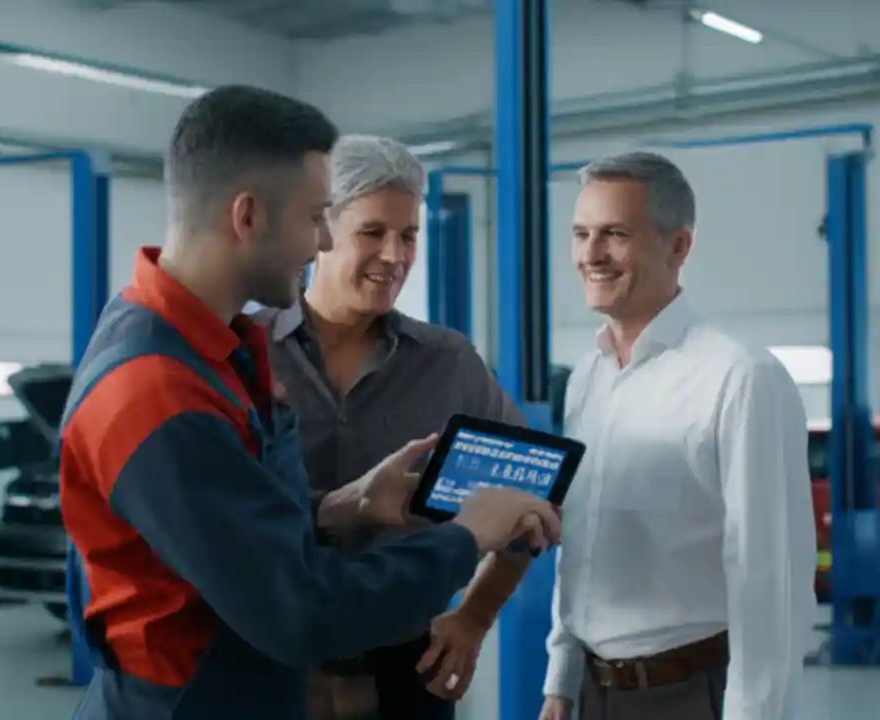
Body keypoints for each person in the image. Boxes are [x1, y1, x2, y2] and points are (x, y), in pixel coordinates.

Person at [58, 85, 562, 720]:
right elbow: (296, 610)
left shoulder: (209, 350)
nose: (321, 240)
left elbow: (240, 525)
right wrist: (463, 539)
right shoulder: (161, 391)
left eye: (409, 235)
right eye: (319, 216)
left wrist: (342, 508)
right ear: (248, 216)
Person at [261, 135, 531, 720]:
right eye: (373, 232)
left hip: (407, 678)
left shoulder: (448, 362)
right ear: (321, 233)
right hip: (262, 669)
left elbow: (526, 502)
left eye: (409, 235)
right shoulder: (242, 351)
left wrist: (474, 617)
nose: (396, 255)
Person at [537, 152, 816, 720]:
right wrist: (561, 678)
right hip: (593, 691)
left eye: (615, 234)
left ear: (679, 246)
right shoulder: (588, 376)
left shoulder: (739, 377)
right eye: (581, 233)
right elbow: (582, 550)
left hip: (690, 694)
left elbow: (770, 581)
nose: (591, 255)